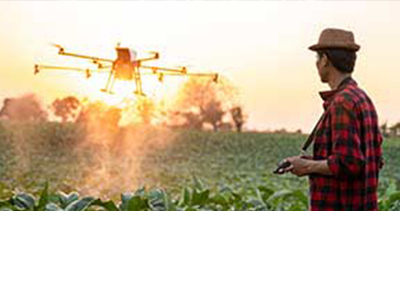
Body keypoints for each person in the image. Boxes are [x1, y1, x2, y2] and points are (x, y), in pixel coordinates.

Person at [282, 28, 383, 210]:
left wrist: (307, 167)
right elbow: (369, 158)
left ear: (326, 60)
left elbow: (349, 163)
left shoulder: (342, 103)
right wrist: (308, 161)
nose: (316, 64)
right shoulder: (362, 98)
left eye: (317, 58)